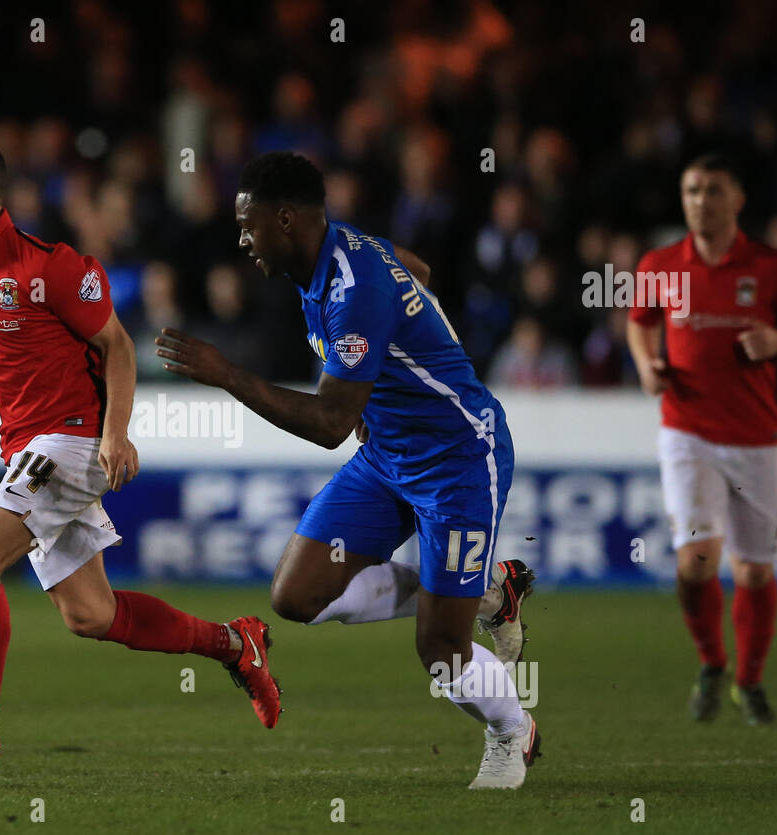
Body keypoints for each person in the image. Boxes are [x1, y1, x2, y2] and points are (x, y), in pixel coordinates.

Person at [0, 134, 281, 781]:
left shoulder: (52, 267)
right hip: (28, 450)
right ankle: (236, 645)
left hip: (71, 441)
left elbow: (118, 347)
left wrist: (115, 433)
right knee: (90, 615)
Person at [156, 152, 539, 790]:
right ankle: (487, 589)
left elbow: (331, 424)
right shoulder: (338, 254)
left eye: (249, 227)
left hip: (459, 462)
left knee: (439, 654)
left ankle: (511, 732)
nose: (243, 241)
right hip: (389, 454)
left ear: (285, 220)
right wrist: (394, 378)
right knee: (296, 597)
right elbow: (417, 270)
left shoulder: (353, 287)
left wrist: (227, 375)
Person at [626, 153, 777, 725]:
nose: (700, 200)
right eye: (691, 189)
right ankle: (712, 662)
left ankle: (750, 679)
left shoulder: (771, 266)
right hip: (686, 433)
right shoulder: (661, 264)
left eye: (713, 190)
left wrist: (776, 341)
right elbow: (640, 321)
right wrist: (646, 366)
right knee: (695, 560)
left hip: (757, 438)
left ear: (737, 200)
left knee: (755, 571)